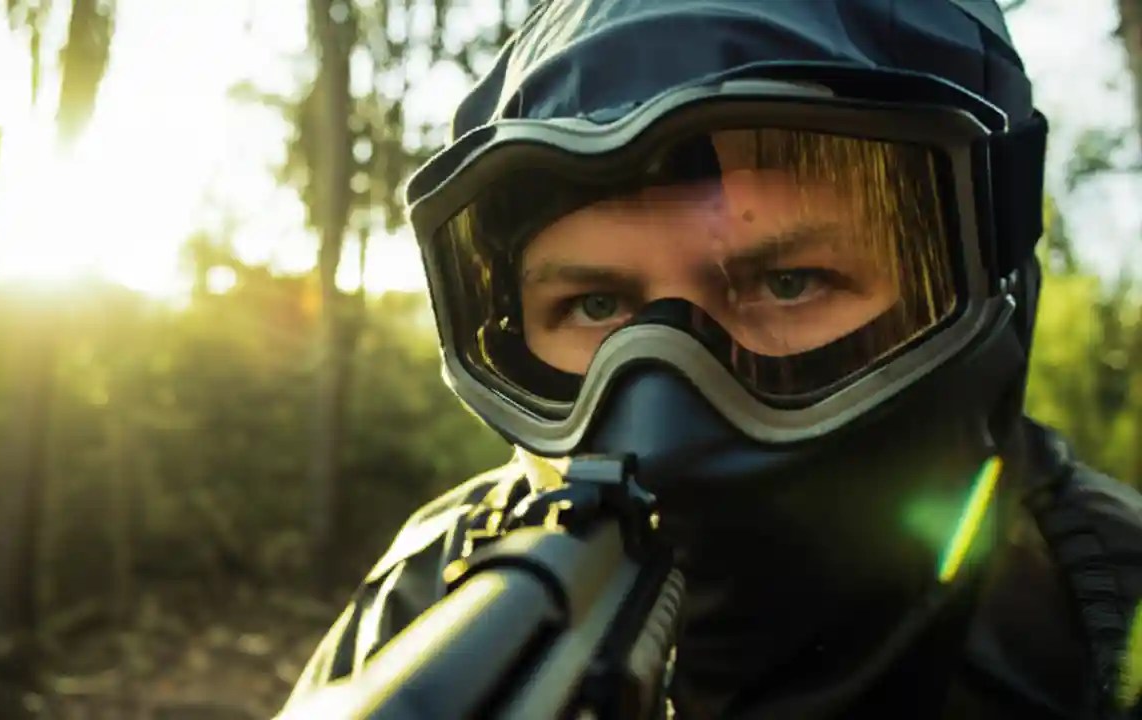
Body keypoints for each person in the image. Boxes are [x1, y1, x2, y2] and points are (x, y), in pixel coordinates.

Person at [280, 0, 1142, 717]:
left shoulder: (1112, 614)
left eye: (792, 281)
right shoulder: (434, 602)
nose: (664, 417)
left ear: (990, 288)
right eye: (595, 307)